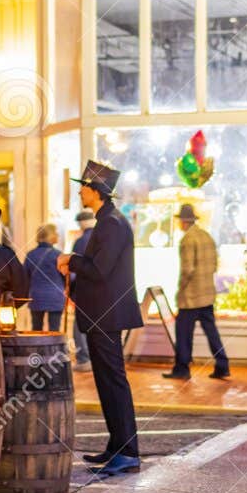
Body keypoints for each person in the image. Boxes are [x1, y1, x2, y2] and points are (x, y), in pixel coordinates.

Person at [57, 161, 143, 474]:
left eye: (83, 186)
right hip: (100, 315)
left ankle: (128, 451)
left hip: (106, 315)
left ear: (95, 191)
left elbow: (99, 268)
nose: (79, 190)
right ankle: (117, 445)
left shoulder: (111, 224)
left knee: (113, 381)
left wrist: (71, 259)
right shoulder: (107, 221)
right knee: (106, 381)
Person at [165, 204, 229, 381]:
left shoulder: (187, 240)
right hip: (207, 294)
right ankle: (222, 364)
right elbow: (215, 264)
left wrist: (180, 289)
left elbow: (187, 270)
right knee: (211, 331)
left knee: (183, 333)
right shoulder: (207, 236)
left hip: (191, 297)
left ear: (183, 222)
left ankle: (182, 368)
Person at [24, 225, 66, 332]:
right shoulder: (58, 255)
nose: (57, 235)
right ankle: (54, 349)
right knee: (54, 330)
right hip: (55, 296)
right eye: (56, 233)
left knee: (36, 329)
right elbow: (67, 275)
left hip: (36, 296)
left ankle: (37, 348)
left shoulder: (30, 255)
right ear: (51, 236)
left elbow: (24, 276)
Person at [69, 209, 94, 369]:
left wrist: (71, 289)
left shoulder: (80, 241)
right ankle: (92, 356)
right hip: (99, 289)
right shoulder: (100, 238)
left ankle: (83, 358)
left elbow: (74, 267)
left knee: (79, 324)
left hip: (83, 288)